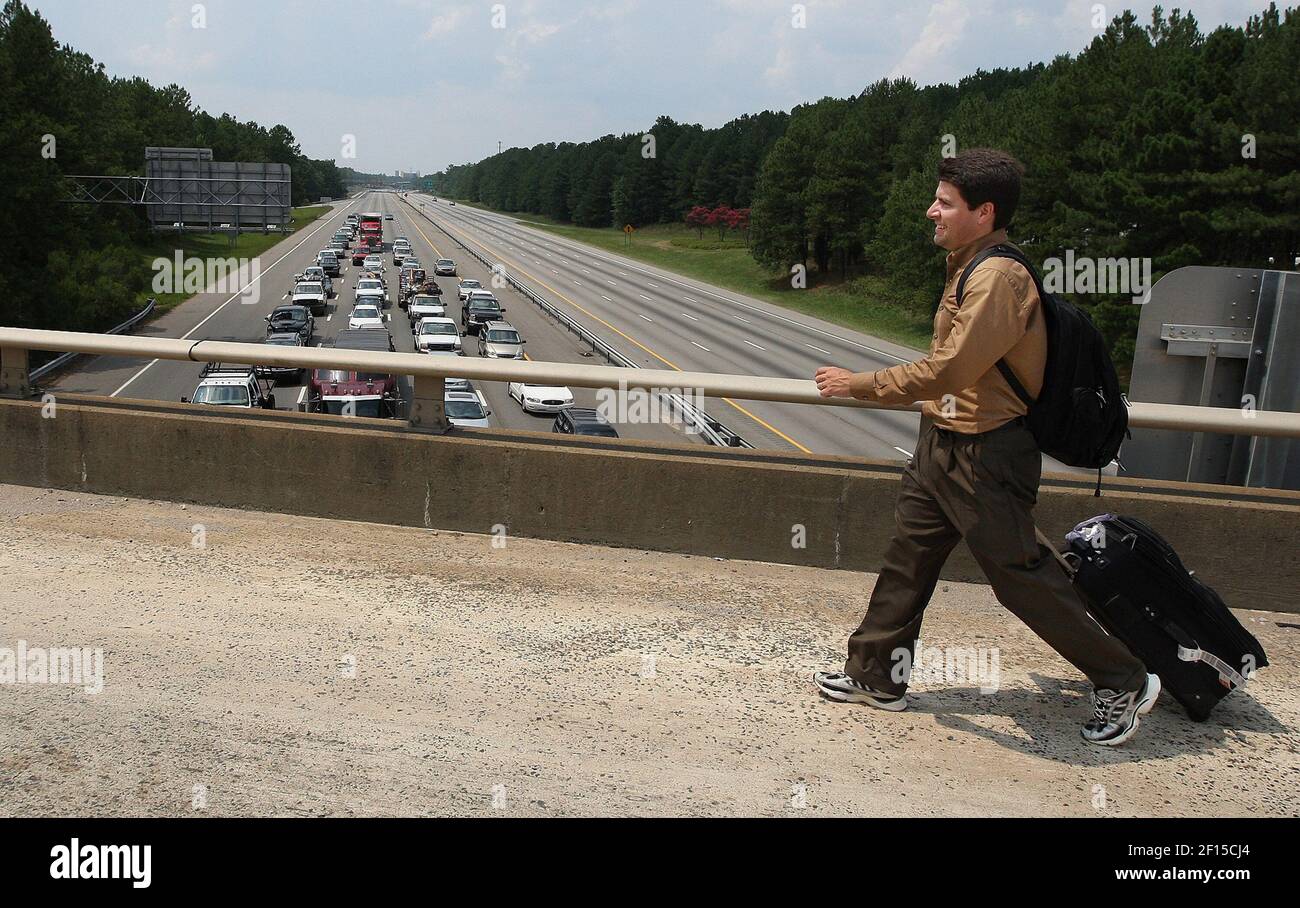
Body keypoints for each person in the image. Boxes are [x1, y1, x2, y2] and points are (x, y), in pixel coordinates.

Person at [811, 148, 1159, 747]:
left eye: (945, 203)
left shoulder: (999, 277)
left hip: (987, 454)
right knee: (908, 561)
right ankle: (876, 676)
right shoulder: (964, 262)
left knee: (1020, 577)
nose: (931, 212)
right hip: (940, 443)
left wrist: (857, 386)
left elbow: (949, 370)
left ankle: (1125, 678)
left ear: (985, 211)